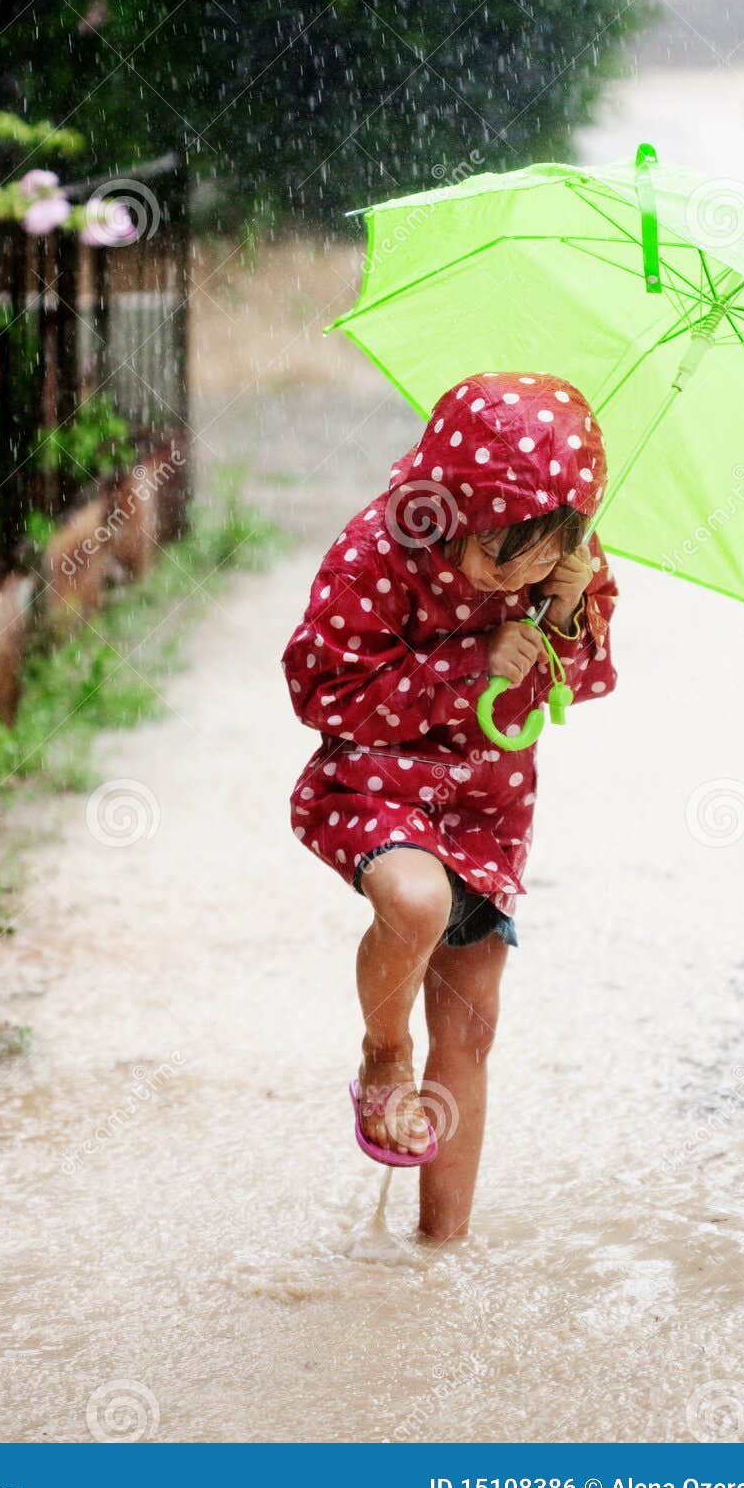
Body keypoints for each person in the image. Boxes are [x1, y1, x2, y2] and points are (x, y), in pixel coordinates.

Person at [282, 372, 618, 1241]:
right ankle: (382, 1049)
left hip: (487, 808)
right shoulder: (379, 549)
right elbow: (321, 689)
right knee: (416, 901)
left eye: (546, 551)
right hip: (375, 781)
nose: (522, 572)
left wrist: (567, 613)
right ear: (450, 501)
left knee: (470, 1034)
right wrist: (467, 664)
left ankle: (439, 1257)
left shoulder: (564, 565)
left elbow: (585, 684)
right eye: (502, 554)